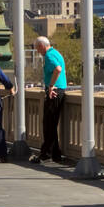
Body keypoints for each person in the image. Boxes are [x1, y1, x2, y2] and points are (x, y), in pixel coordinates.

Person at [32, 36, 67, 164]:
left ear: (42, 46)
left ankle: (45, 153)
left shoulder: (48, 56)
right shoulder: (56, 52)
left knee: (49, 123)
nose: (37, 51)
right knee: (51, 123)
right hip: (59, 90)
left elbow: (57, 69)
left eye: (37, 48)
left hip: (55, 91)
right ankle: (54, 153)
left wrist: (51, 86)